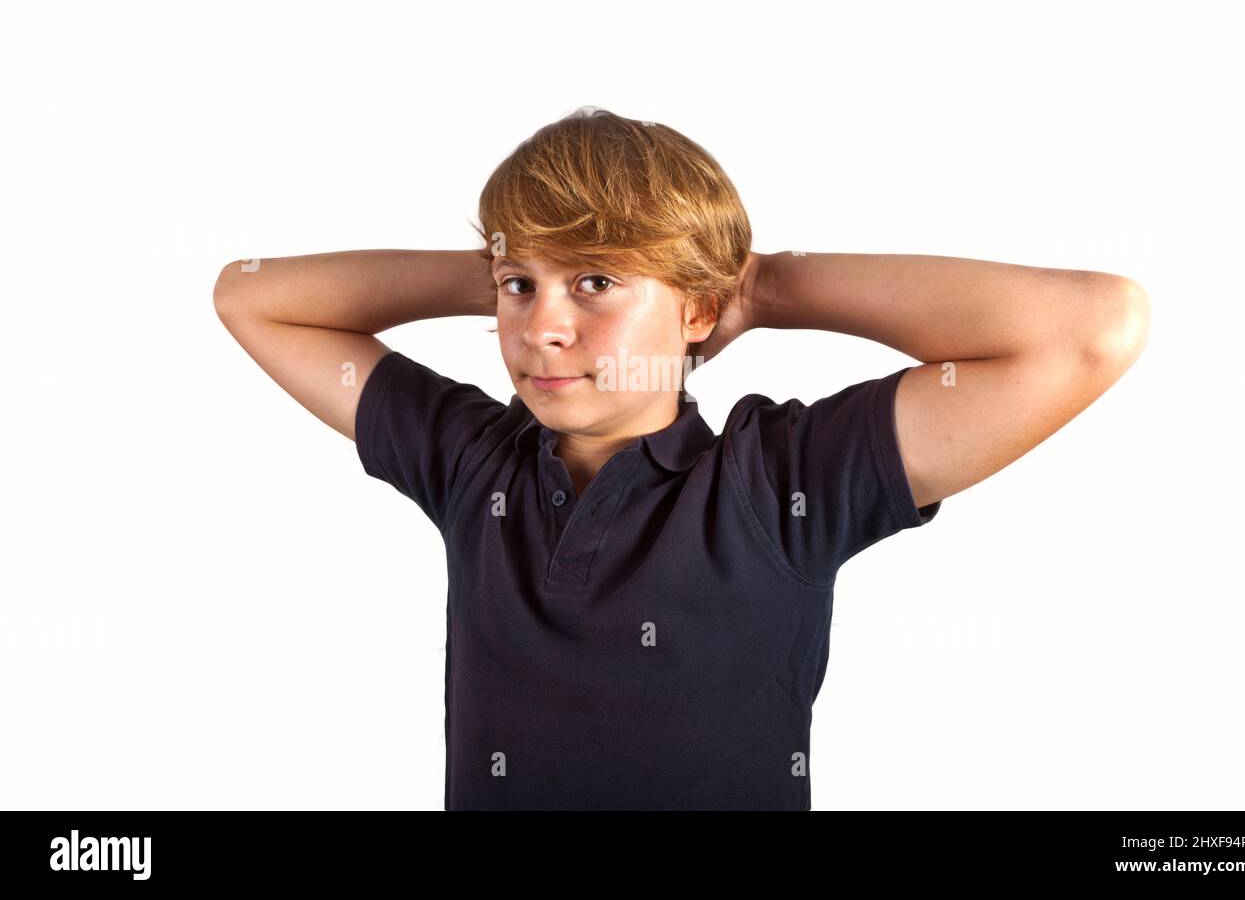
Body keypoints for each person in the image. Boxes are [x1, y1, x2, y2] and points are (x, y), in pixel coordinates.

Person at [212, 106, 1150, 809]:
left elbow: (1092, 327)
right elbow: (250, 298)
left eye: (596, 283)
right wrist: (505, 264)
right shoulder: (472, 462)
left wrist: (768, 285)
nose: (542, 328)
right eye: (517, 287)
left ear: (700, 310)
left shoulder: (783, 481)